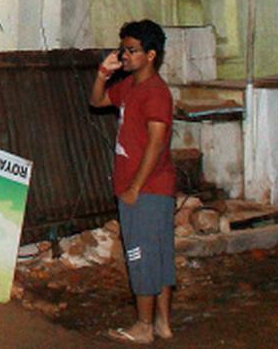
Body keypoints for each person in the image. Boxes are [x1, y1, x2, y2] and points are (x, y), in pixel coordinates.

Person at [90, 20, 176, 345]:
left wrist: (135, 187)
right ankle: (162, 324)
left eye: (132, 50)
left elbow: (156, 143)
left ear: (151, 55)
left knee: (141, 256)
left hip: (148, 189)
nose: (124, 55)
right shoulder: (130, 86)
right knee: (159, 257)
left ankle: (143, 325)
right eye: (123, 49)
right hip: (150, 188)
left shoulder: (156, 93)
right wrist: (103, 73)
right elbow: (97, 101)